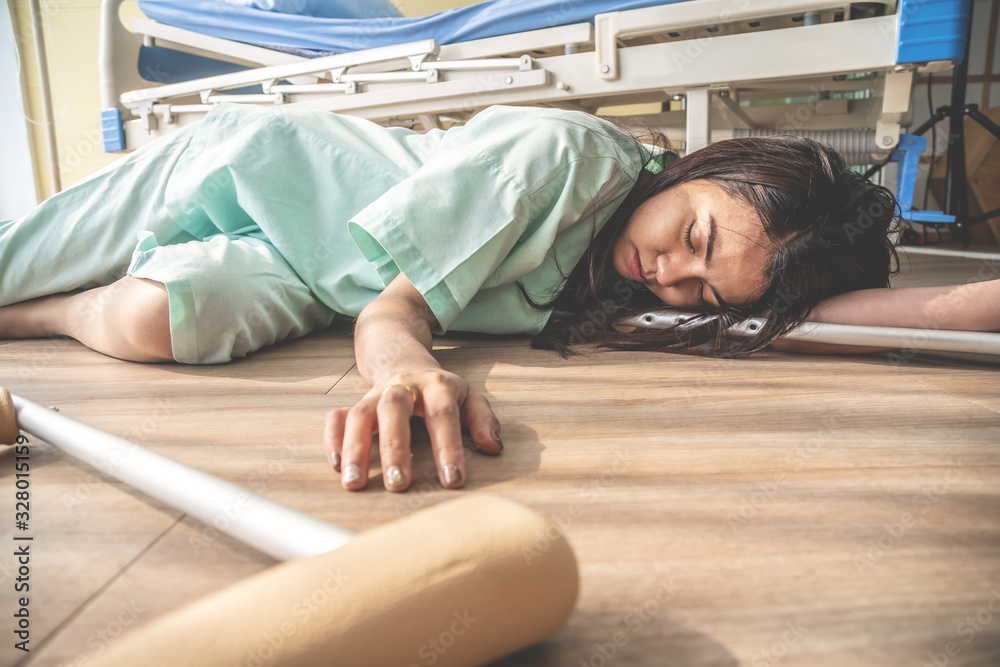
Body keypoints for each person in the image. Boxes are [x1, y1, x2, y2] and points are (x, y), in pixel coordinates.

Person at [1, 103, 997, 494]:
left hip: (307, 277)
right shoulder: (560, 161)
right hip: (249, 178)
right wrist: (403, 373)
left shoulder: (650, 285)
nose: (674, 277)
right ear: (698, 165)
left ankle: (32, 321)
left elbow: (862, 318)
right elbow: (392, 318)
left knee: (158, 319)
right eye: (689, 236)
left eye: (707, 288)